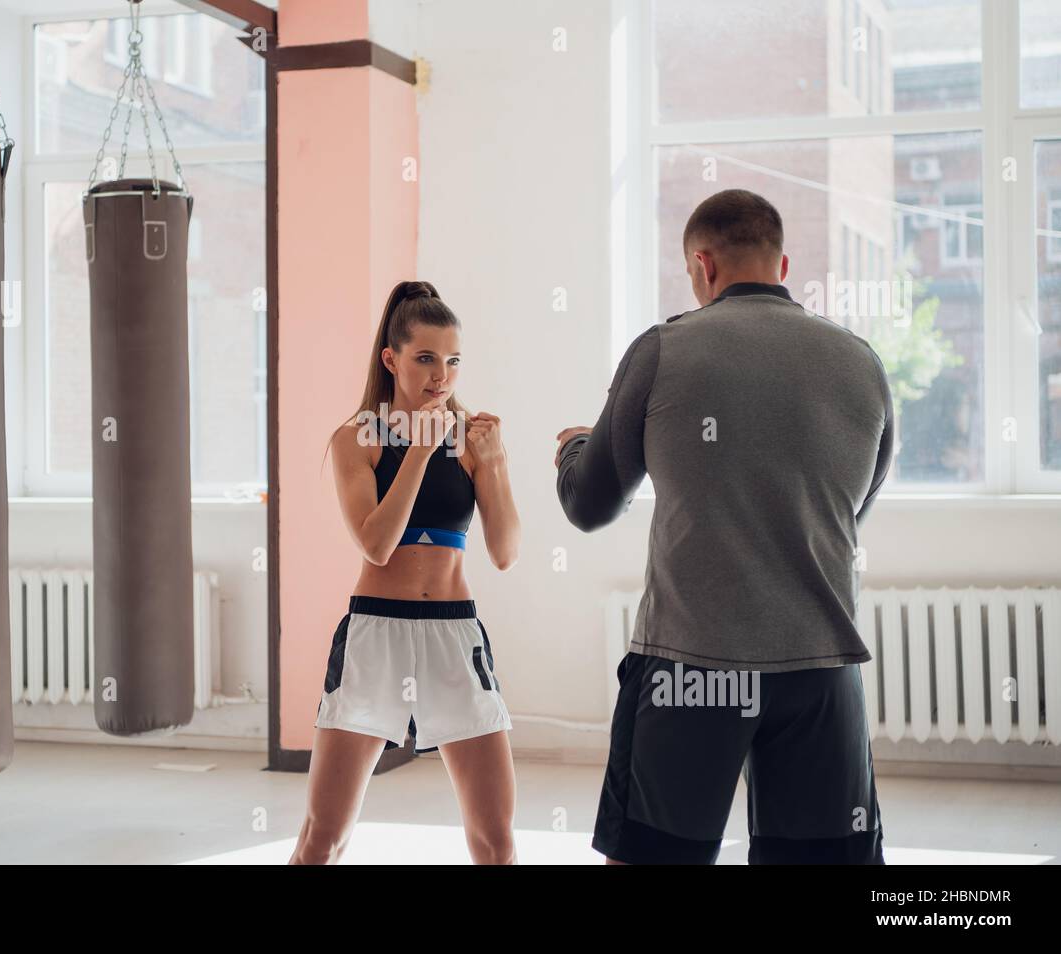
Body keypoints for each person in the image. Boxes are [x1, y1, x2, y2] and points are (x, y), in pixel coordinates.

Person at [555, 188, 894, 865]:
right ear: (783, 263)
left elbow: (591, 505)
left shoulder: (662, 349)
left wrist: (571, 448)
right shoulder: (861, 361)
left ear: (703, 264)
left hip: (691, 667)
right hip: (822, 672)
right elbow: (849, 511)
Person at [289, 280, 522, 865]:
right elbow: (376, 543)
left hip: (452, 632)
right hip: (377, 633)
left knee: (495, 840)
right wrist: (419, 450)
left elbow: (504, 552)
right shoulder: (357, 438)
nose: (440, 375)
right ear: (391, 359)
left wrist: (493, 466)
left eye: (452, 361)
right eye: (425, 359)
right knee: (324, 835)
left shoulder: (472, 439)